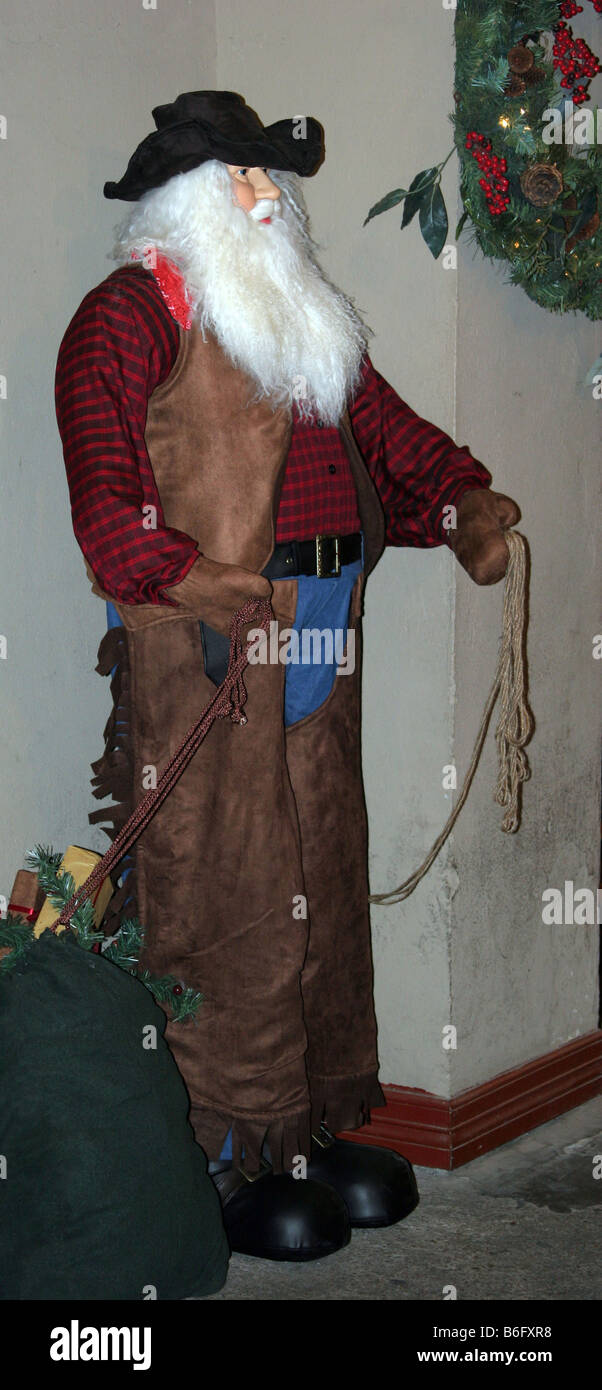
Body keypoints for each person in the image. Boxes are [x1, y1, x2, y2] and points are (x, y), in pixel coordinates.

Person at [55, 91, 520, 1263]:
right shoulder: (126, 319)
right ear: (181, 203)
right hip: (209, 639)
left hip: (321, 615)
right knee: (225, 877)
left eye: (271, 182)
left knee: (318, 850)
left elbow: (384, 433)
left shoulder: (305, 317)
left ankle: (303, 1126)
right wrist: (191, 581)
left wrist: (456, 501)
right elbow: (106, 498)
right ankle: (223, 1148)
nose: (266, 199)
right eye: (241, 181)